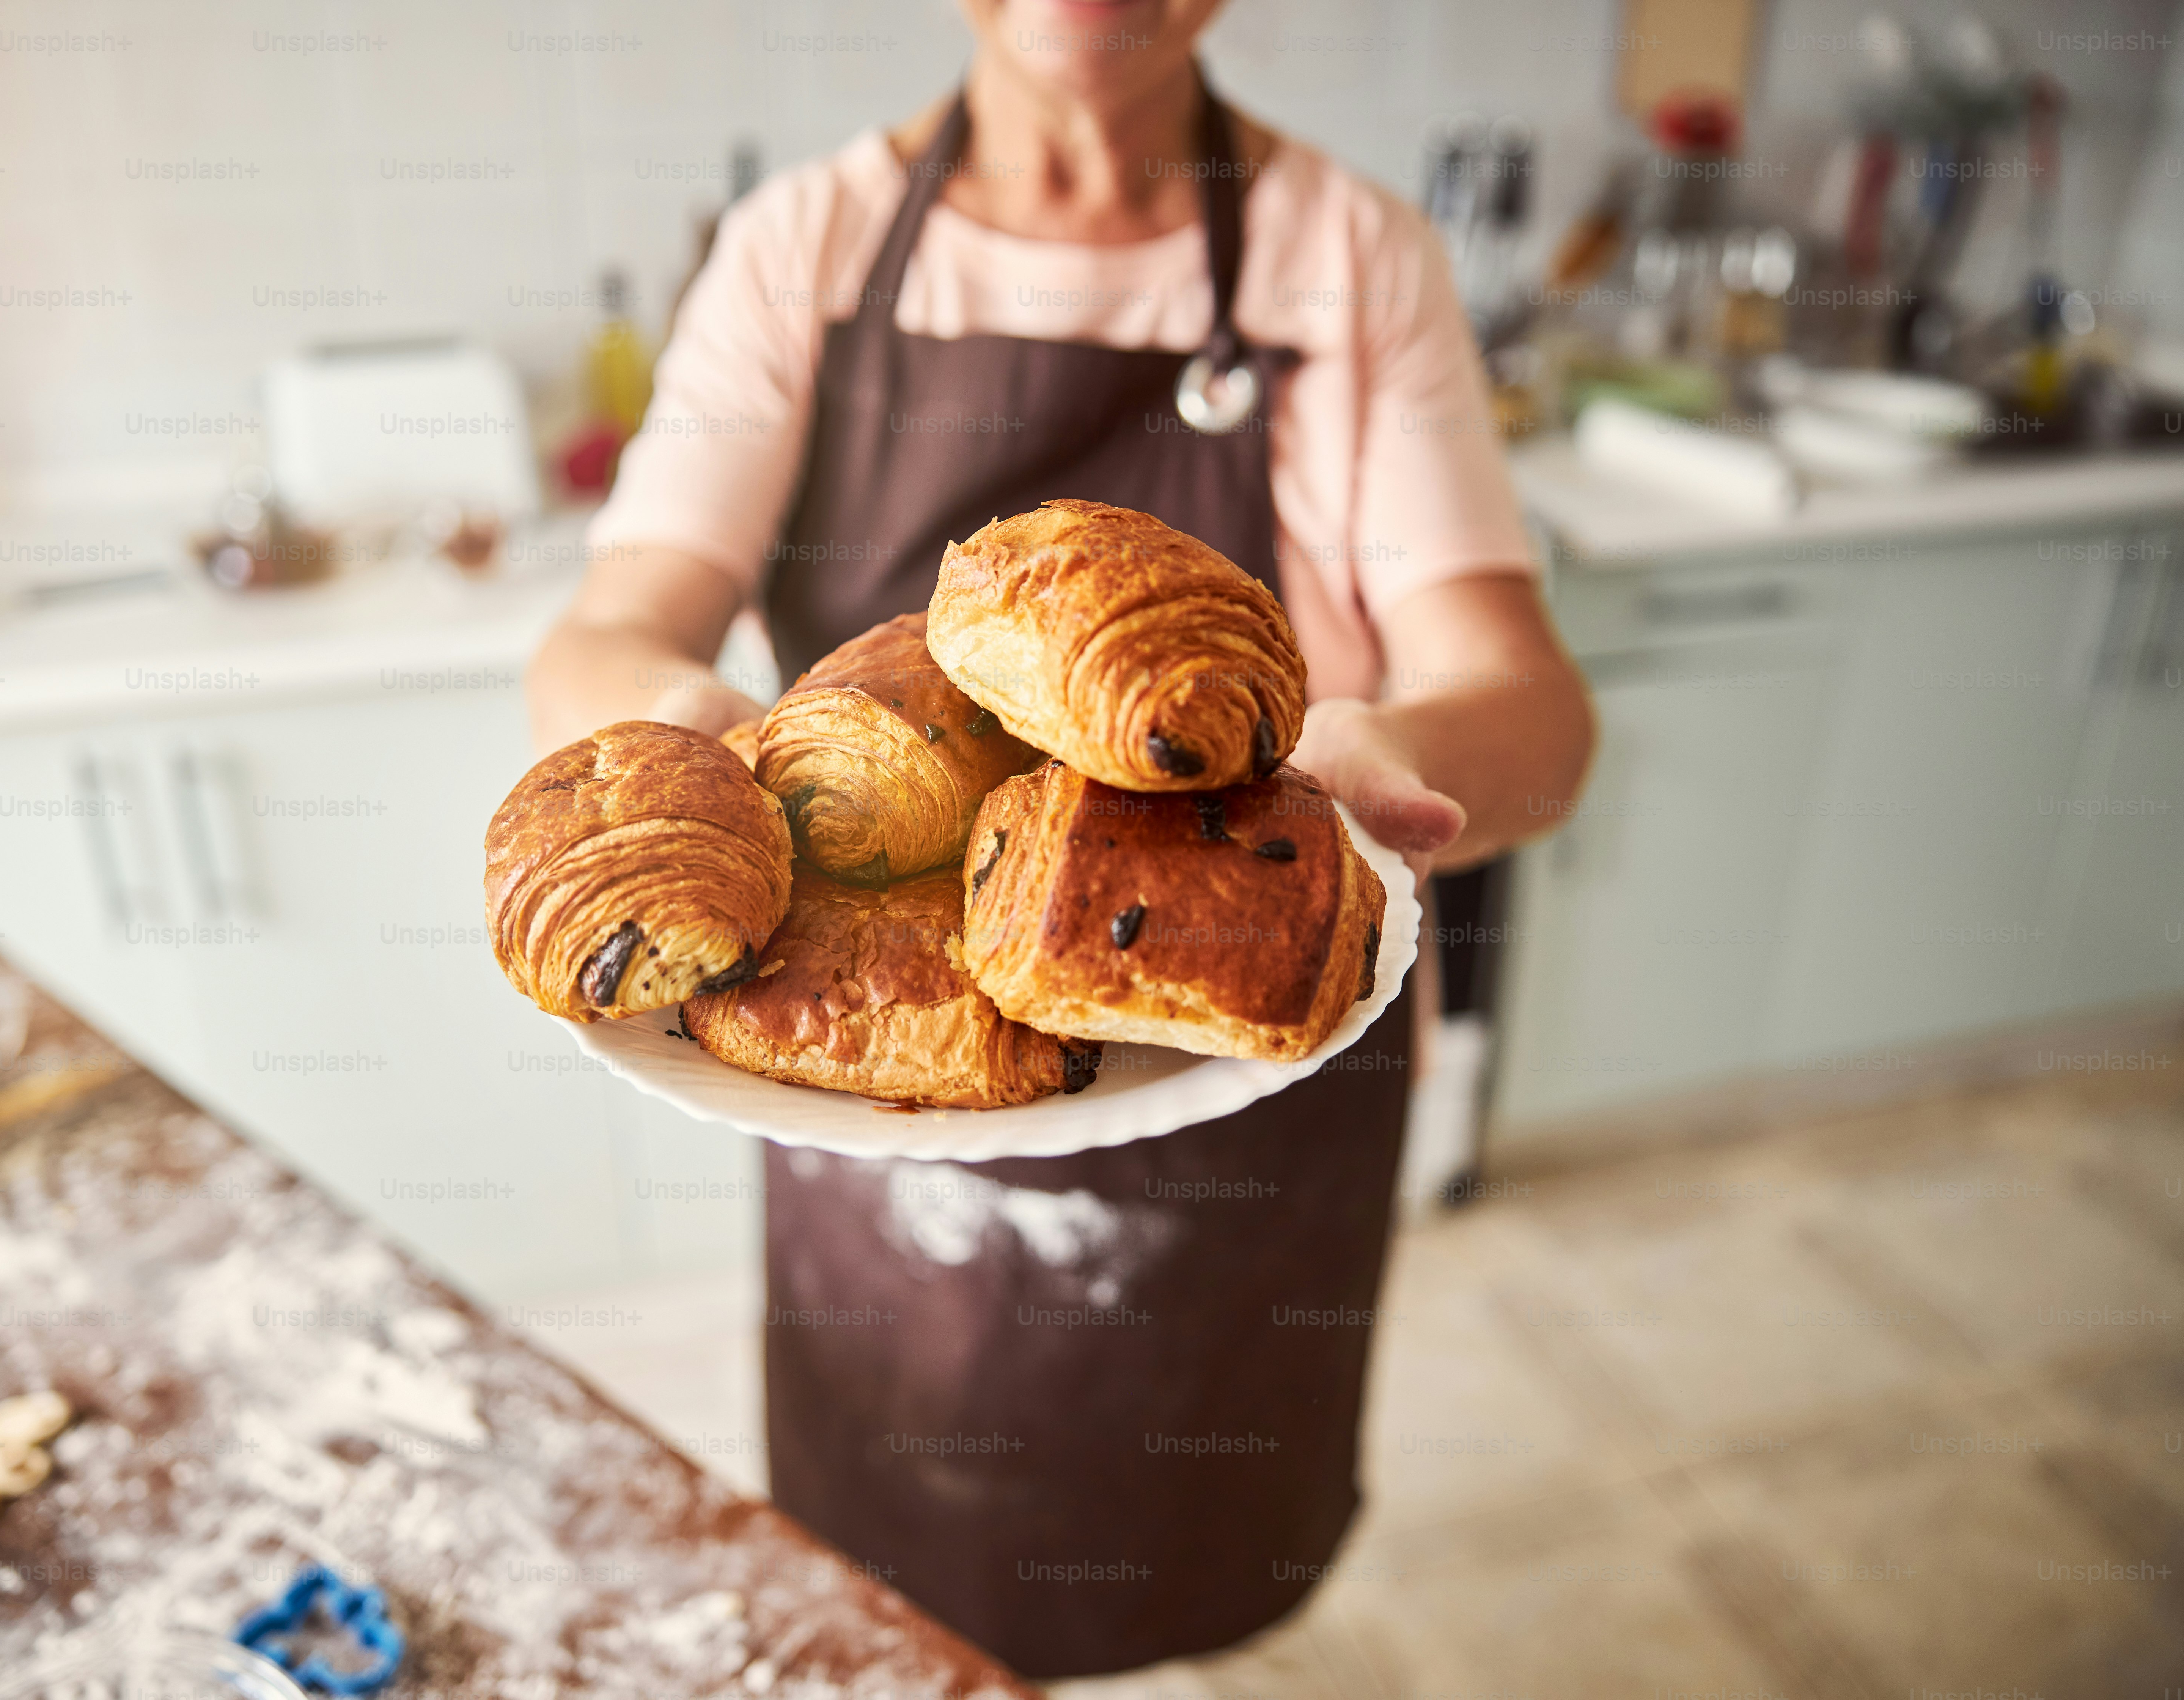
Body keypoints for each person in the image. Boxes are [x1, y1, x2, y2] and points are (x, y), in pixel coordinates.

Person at [530, 0, 1593, 1678]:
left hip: (1242, 1060)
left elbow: (1531, 713)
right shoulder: (805, 246)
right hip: (889, 1087)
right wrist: (721, 771)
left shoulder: (1351, 254)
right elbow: (602, 639)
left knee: (1197, 1567)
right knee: (907, 1584)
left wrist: (1382, 753)